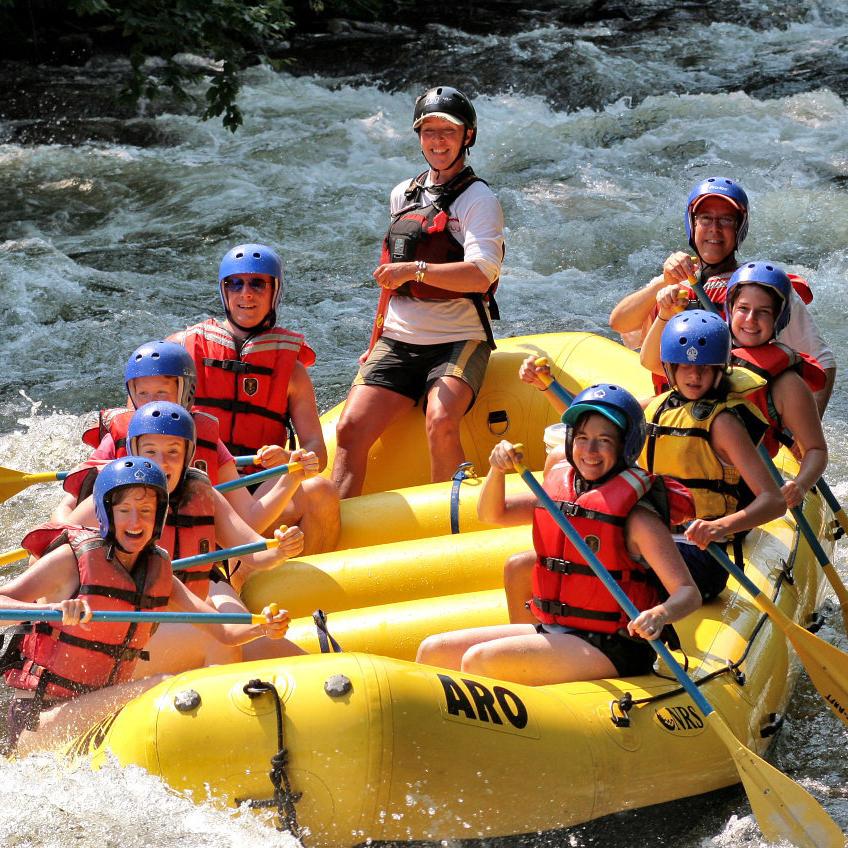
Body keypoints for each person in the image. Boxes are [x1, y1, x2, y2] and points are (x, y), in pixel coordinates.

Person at [0, 457, 289, 755]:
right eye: (124, 511)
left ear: (159, 517)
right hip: (39, 722)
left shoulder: (158, 569)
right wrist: (53, 611)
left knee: (178, 683)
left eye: (146, 511)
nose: (135, 522)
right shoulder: (70, 560)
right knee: (163, 685)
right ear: (104, 513)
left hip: (103, 703)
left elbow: (224, 633)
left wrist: (262, 626)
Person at [416, 385, 701, 685]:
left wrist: (659, 614)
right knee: (433, 651)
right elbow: (492, 514)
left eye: (603, 441)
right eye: (582, 438)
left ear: (624, 447)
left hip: (613, 645)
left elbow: (687, 593)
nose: (590, 451)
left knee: (479, 661)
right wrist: (496, 470)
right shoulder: (560, 495)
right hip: (557, 630)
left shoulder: (639, 518)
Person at [27, 402, 305, 673]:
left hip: (178, 614)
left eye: (173, 452)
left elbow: (253, 551)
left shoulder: (196, 500)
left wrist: (281, 549)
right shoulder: (110, 499)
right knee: (217, 643)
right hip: (114, 637)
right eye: (151, 452)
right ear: (134, 451)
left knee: (265, 646)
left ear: (188, 455)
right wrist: (54, 607)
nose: (161, 462)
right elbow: (49, 553)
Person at [331, 85, 506, 498]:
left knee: (440, 417)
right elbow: (389, 278)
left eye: (448, 131)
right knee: (350, 427)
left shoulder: (480, 200)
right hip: (398, 338)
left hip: (458, 338)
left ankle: (447, 525)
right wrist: (374, 342)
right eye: (429, 131)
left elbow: (482, 275)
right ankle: (334, 528)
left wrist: (419, 270)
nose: (438, 141)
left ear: (468, 136)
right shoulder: (402, 195)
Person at [608, 176, 836, 413]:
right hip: (675, 410)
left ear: (740, 228)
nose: (714, 229)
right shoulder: (675, 283)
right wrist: (663, 283)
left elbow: (824, 363)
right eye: (705, 218)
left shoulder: (765, 289)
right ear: (692, 225)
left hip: (737, 418)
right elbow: (619, 322)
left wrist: (804, 440)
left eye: (726, 220)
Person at [54, 340, 321, 537]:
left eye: (162, 392)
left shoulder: (207, 440)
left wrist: (290, 477)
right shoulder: (117, 440)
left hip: (194, 550)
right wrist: (60, 527)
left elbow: (248, 519)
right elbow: (73, 501)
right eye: (143, 394)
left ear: (186, 392)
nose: (151, 402)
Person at [170, 244, 340, 553]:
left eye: (257, 284)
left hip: (259, 488)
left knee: (322, 491)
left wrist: (290, 459)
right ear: (224, 291)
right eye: (235, 283)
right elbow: (139, 420)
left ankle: (313, 586)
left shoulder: (293, 372)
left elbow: (317, 451)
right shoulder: (182, 351)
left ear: (274, 291)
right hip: (200, 480)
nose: (246, 293)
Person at [637, 310, 785, 600]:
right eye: (685, 366)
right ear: (669, 368)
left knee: (616, 575)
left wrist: (719, 527)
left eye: (705, 367)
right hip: (654, 538)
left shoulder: (724, 424)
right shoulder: (656, 407)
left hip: (701, 556)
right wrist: (548, 386)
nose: (695, 375)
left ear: (720, 370)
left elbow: (774, 501)